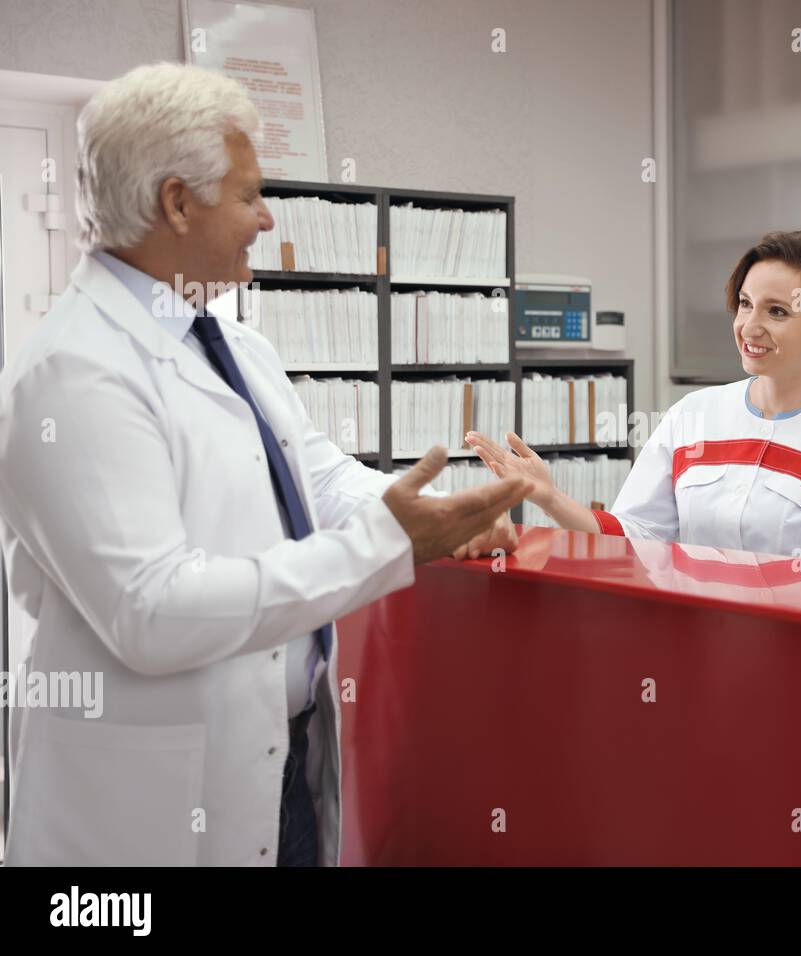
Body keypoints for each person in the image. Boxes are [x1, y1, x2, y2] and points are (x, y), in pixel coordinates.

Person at [0, 63, 529, 866]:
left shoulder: (233, 344)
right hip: (148, 816)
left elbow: (313, 476)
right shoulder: (74, 373)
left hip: (276, 762)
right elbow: (154, 609)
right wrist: (387, 544)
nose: (267, 218)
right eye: (249, 196)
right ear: (177, 202)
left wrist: (443, 516)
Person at [468, 231, 801, 561]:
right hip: (694, 645)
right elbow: (634, 537)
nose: (749, 327)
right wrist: (550, 498)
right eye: (745, 304)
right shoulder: (695, 414)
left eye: (777, 312)